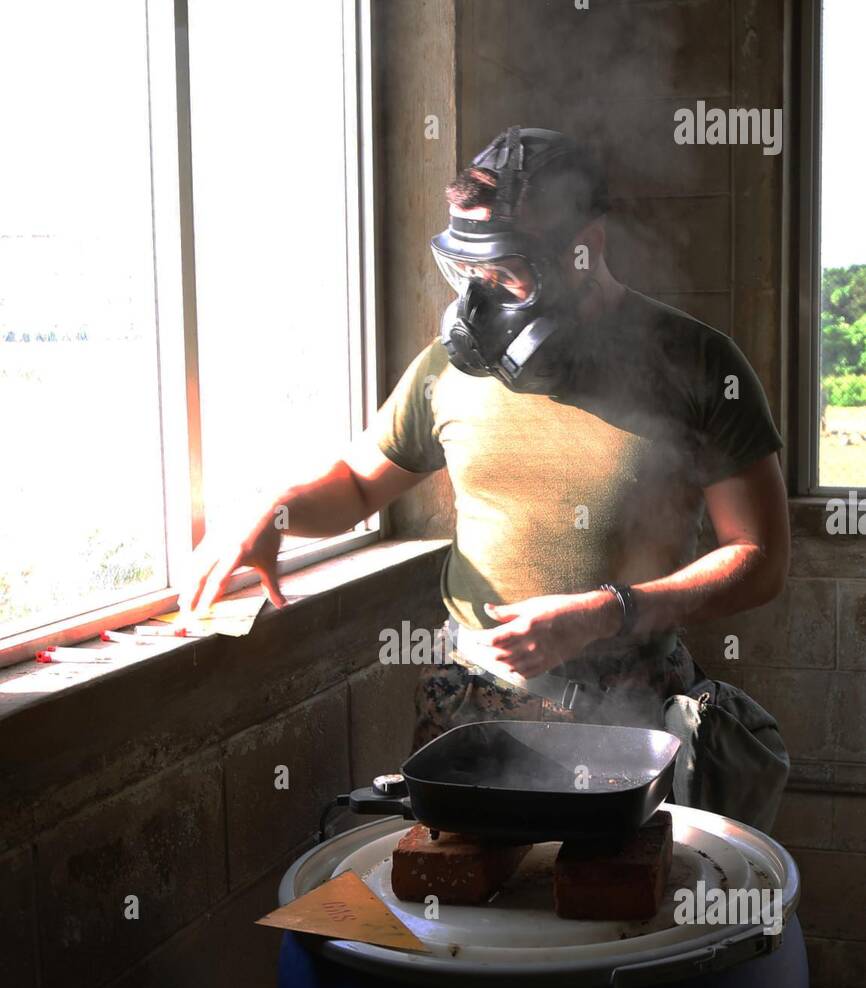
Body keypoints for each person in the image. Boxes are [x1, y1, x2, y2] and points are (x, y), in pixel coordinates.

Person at [187, 126, 790, 764]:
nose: (480, 298)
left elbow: (760, 558)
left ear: (586, 247)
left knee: (619, 869)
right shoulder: (446, 370)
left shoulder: (699, 364)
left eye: (508, 271)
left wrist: (607, 612)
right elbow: (360, 485)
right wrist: (278, 512)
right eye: (468, 270)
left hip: (631, 709)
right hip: (470, 705)